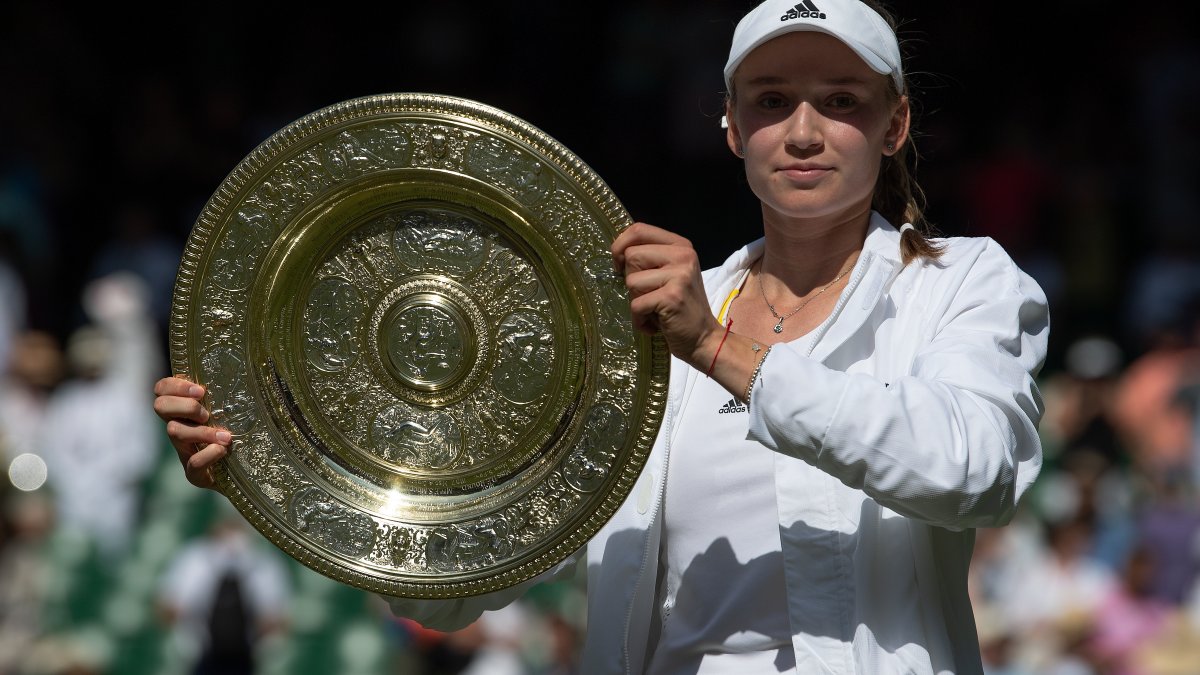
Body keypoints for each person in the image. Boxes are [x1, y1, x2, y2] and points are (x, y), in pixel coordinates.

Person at [153, 1, 1049, 672]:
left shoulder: (960, 282)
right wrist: (270, 472)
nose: (805, 132)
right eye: (773, 101)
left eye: (841, 101)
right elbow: (465, 584)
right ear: (733, 127)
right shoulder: (642, 322)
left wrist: (721, 352)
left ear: (893, 125)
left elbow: (977, 470)